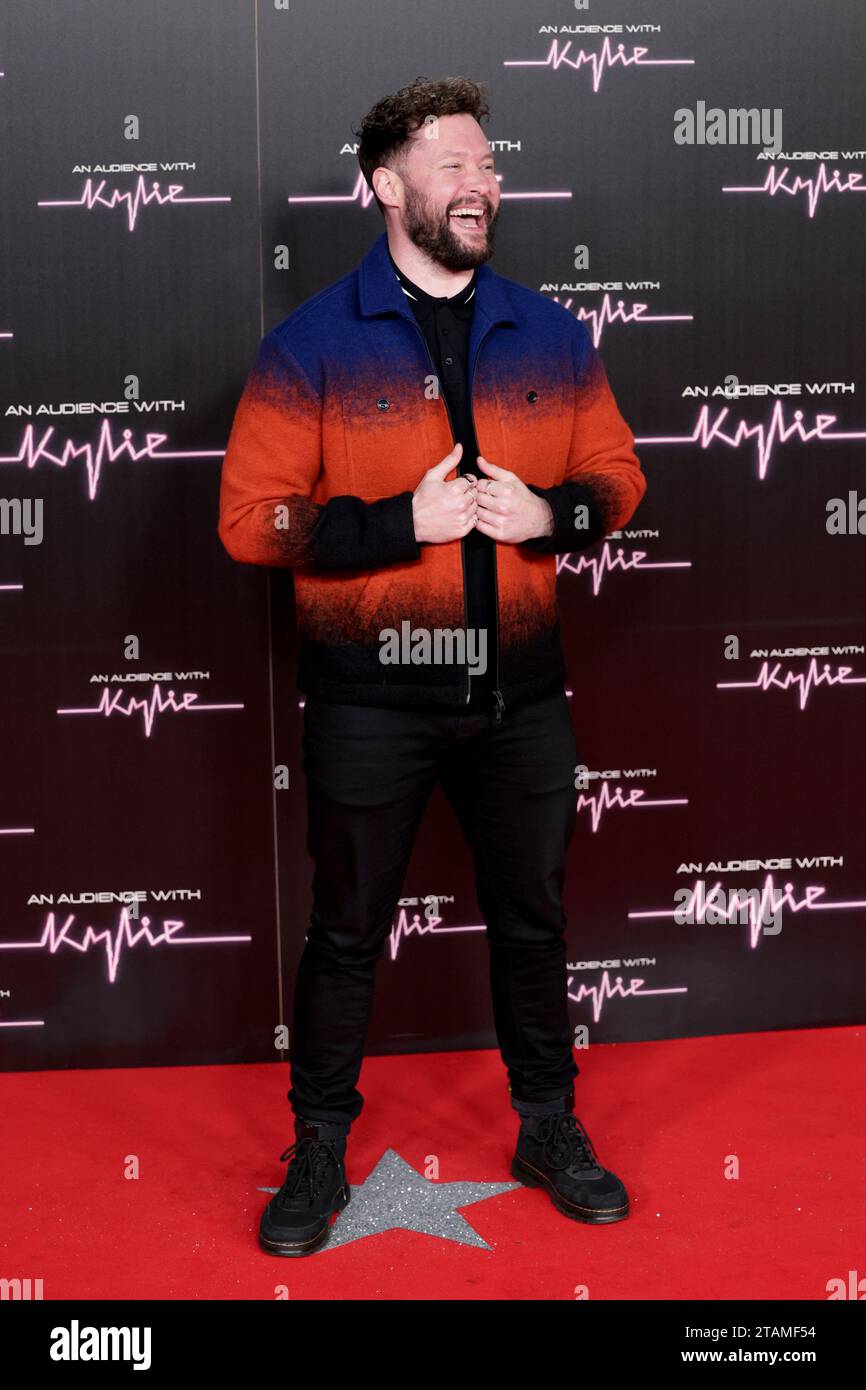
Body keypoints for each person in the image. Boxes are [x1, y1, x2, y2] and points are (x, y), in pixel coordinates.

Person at [218, 76, 647, 1257]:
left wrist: (552, 515)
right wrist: (396, 522)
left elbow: (617, 475)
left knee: (533, 922)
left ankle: (547, 1126)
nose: (480, 184)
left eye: (487, 165)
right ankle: (316, 1145)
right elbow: (251, 520)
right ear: (383, 184)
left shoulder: (549, 332)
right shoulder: (307, 344)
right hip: (371, 701)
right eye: (452, 164)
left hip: (521, 698)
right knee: (345, 931)